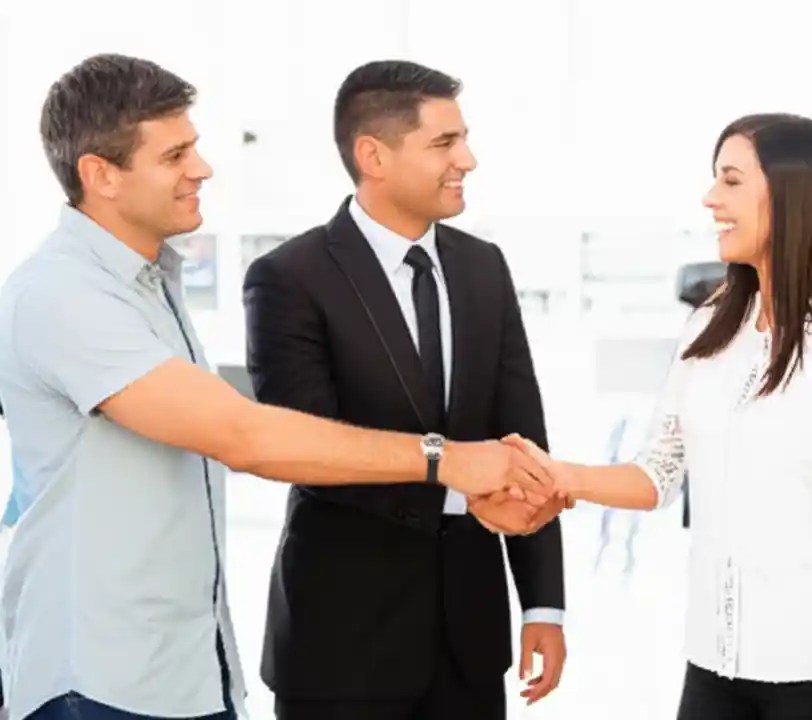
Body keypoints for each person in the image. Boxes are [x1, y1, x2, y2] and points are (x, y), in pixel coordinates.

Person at [0, 54, 552, 720]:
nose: (201, 169)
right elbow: (245, 433)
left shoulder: (150, 288)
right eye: (175, 155)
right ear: (100, 175)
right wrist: (447, 461)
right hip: (97, 683)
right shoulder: (66, 295)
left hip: (181, 672)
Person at [514, 113, 812, 720]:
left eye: (730, 180)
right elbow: (658, 472)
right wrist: (559, 476)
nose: (711, 199)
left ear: (791, 196)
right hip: (712, 661)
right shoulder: (707, 328)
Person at [242, 60, 567, 720]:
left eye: (464, 138)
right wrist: (454, 477)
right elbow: (307, 452)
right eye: (445, 143)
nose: (468, 160)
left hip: (470, 643)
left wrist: (542, 601)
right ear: (374, 155)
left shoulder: (484, 267)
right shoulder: (289, 278)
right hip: (341, 647)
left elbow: (522, 437)